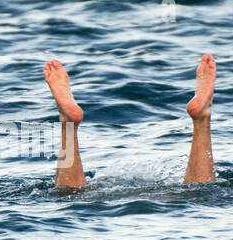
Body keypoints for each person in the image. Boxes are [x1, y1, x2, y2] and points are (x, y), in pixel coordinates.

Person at [42, 53, 216, 189]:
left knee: (69, 194)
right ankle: (202, 120)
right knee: (199, 191)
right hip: (167, 199)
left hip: (101, 200)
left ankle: (68, 124)